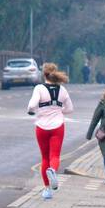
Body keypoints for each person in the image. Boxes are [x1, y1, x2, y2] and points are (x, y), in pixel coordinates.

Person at [26, 62, 73, 199]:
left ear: (44, 74)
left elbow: (32, 105)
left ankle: (47, 190)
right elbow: (70, 109)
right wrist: (59, 110)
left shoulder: (39, 88)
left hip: (41, 127)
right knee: (55, 156)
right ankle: (53, 170)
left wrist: (31, 111)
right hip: (58, 126)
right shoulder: (62, 90)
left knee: (45, 157)